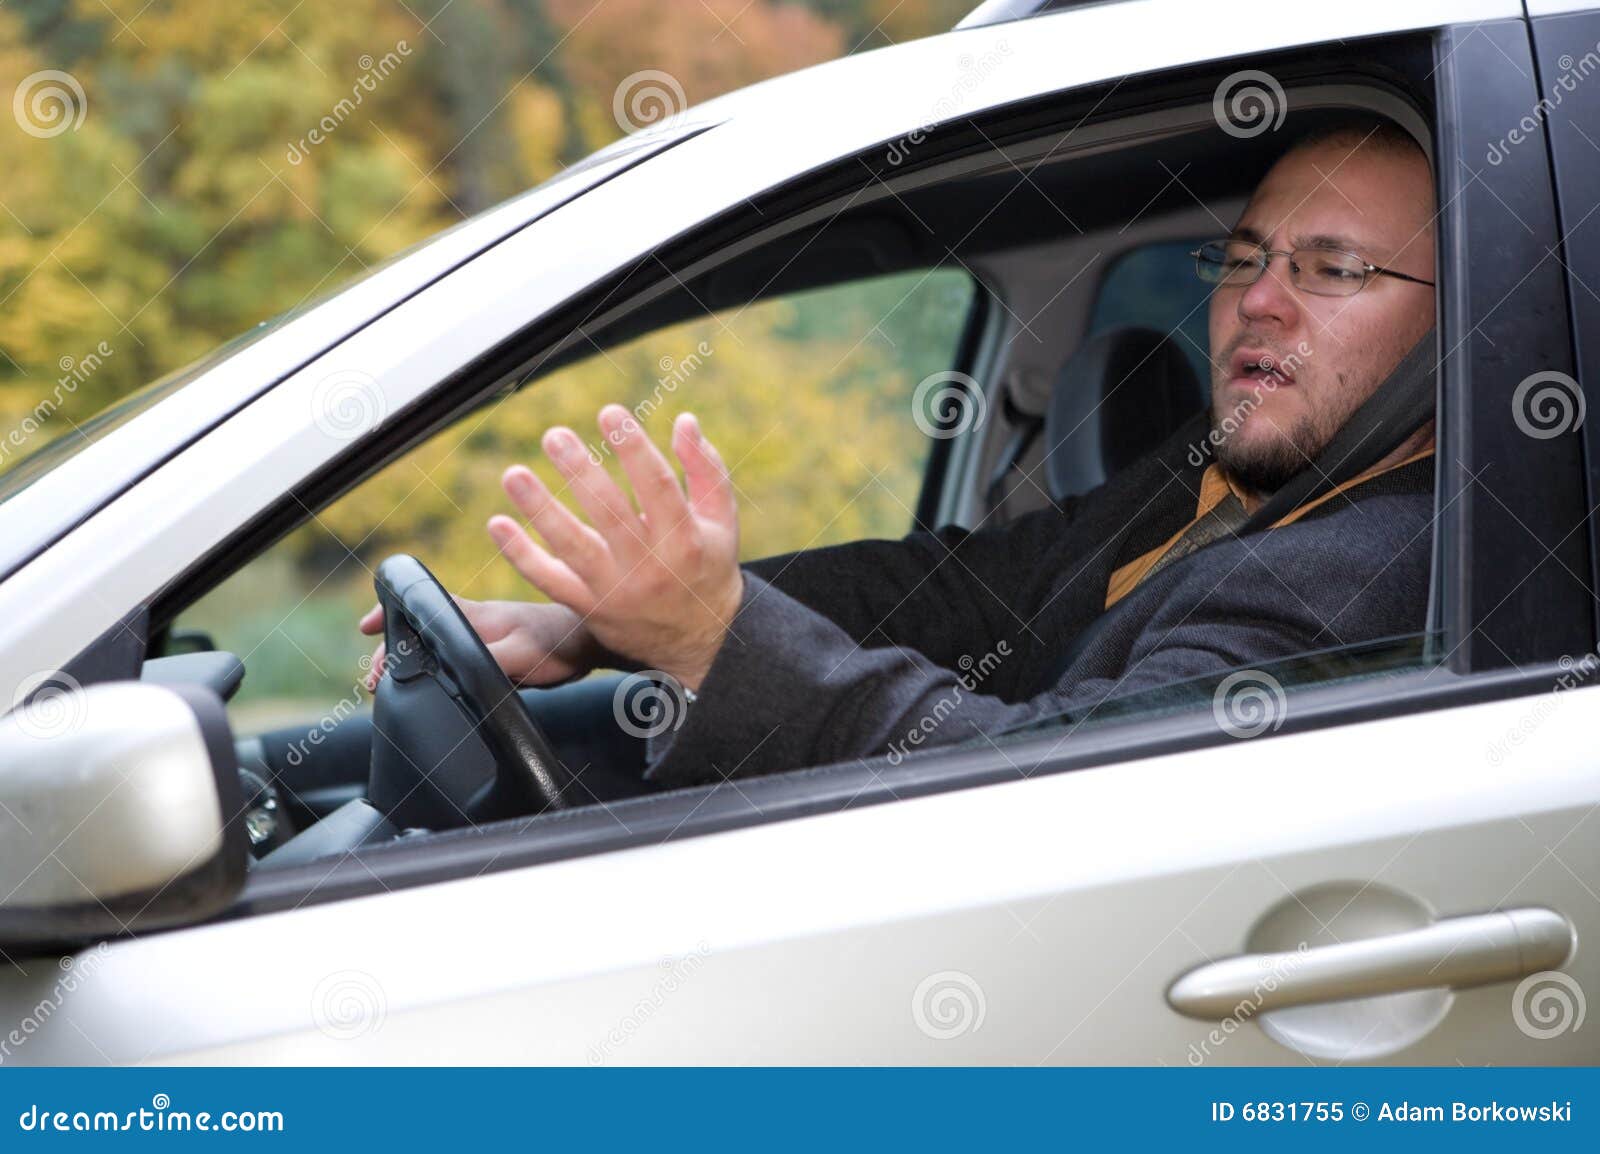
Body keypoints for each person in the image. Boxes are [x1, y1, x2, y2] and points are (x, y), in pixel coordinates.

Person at [361, 116, 1440, 789]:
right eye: (1245, 258)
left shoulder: (1361, 571)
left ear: (1457, 328)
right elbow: (962, 591)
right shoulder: (1221, 475)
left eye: (1332, 270)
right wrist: (599, 623)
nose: (1256, 300)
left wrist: (713, 637)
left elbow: (1059, 788)